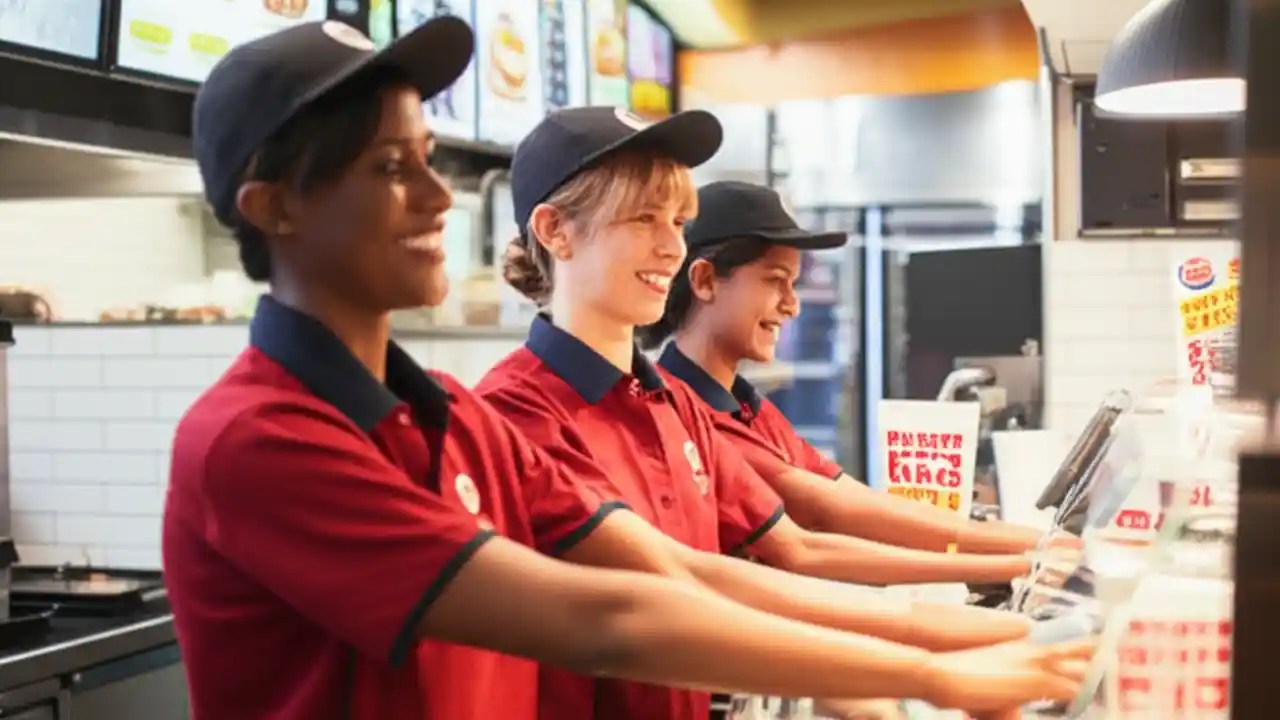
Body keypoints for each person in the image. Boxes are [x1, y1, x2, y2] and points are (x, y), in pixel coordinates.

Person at [161, 18, 1092, 720]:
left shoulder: (448, 414)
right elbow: (606, 619)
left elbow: (689, 575)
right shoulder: (260, 441)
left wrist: (1018, 632)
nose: (440, 197)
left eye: (430, 160)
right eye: (389, 167)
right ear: (273, 206)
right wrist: (937, 672)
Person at [478, 107, 1085, 720]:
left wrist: (987, 633)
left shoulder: (674, 403)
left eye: (679, 221)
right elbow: (693, 583)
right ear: (555, 230)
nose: (670, 247)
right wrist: (955, 654)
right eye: (643, 218)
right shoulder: (514, 416)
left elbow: (783, 554)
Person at [639, 180, 1054, 556]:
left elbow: (853, 497)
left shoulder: (751, 409)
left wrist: (1018, 541)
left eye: (793, 284)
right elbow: (828, 514)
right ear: (706, 279)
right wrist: (1029, 550)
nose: (792, 305)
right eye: (774, 280)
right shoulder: (685, 412)